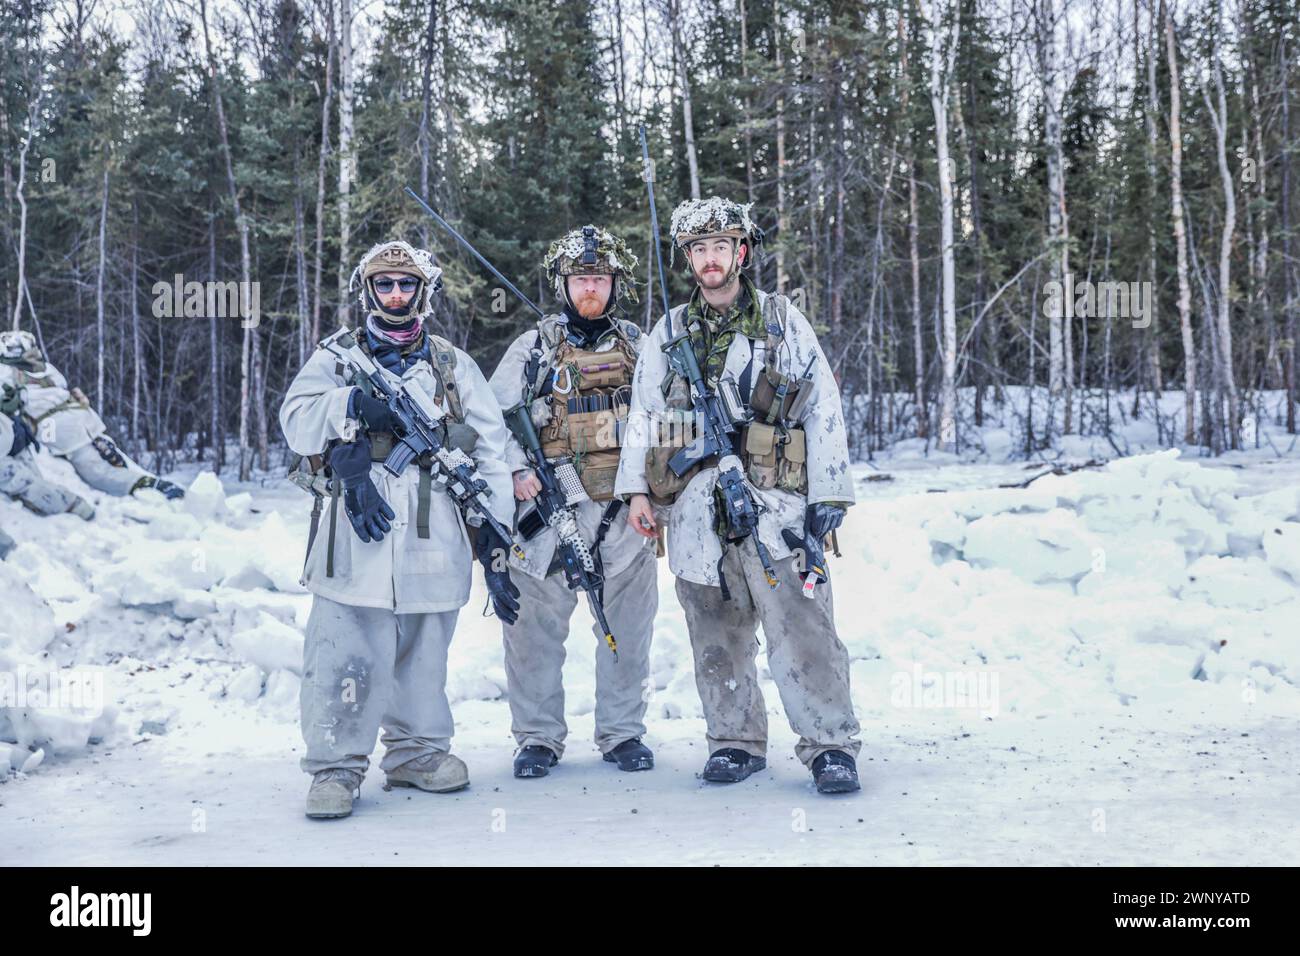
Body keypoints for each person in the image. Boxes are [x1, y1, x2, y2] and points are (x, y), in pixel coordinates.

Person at [615, 197, 863, 794]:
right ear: (688, 260)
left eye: (720, 247)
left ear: (740, 252)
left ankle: (830, 745)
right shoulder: (669, 332)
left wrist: (830, 495)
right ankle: (735, 741)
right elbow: (644, 417)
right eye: (698, 250)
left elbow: (823, 405)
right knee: (714, 631)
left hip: (778, 506)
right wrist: (636, 494)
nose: (709, 259)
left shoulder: (781, 320)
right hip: (698, 510)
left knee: (803, 627)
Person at [279, 239, 520, 819]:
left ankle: (417, 752)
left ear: (422, 293)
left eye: (405, 285)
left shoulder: (451, 364)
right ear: (369, 291)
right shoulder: (337, 356)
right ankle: (336, 765)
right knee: (343, 648)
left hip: (433, 525)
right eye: (384, 284)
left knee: (424, 647)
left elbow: (491, 448)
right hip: (354, 526)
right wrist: (354, 406)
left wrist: (495, 535)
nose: (394, 294)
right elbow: (295, 420)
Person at [487, 225, 658, 778]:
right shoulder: (532, 347)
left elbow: (666, 416)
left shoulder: (640, 345)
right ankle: (537, 738)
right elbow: (491, 418)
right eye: (581, 278)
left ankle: (622, 733)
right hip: (547, 518)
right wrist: (516, 467)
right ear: (563, 284)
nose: (590, 288)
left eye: (600, 279)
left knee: (627, 633)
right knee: (533, 637)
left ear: (614, 285)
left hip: (626, 517)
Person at [0, 330, 184, 500]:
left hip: (56, 427)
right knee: (114, 459)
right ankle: (146, 480)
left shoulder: (5, 372)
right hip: (83, 417)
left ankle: (148, 487)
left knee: (97, 472)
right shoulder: (47, 369)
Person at [0, 371, 95, 520]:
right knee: (25, 479)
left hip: (11, 436)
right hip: (14, 433)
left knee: (18, 479)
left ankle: (67, 503)